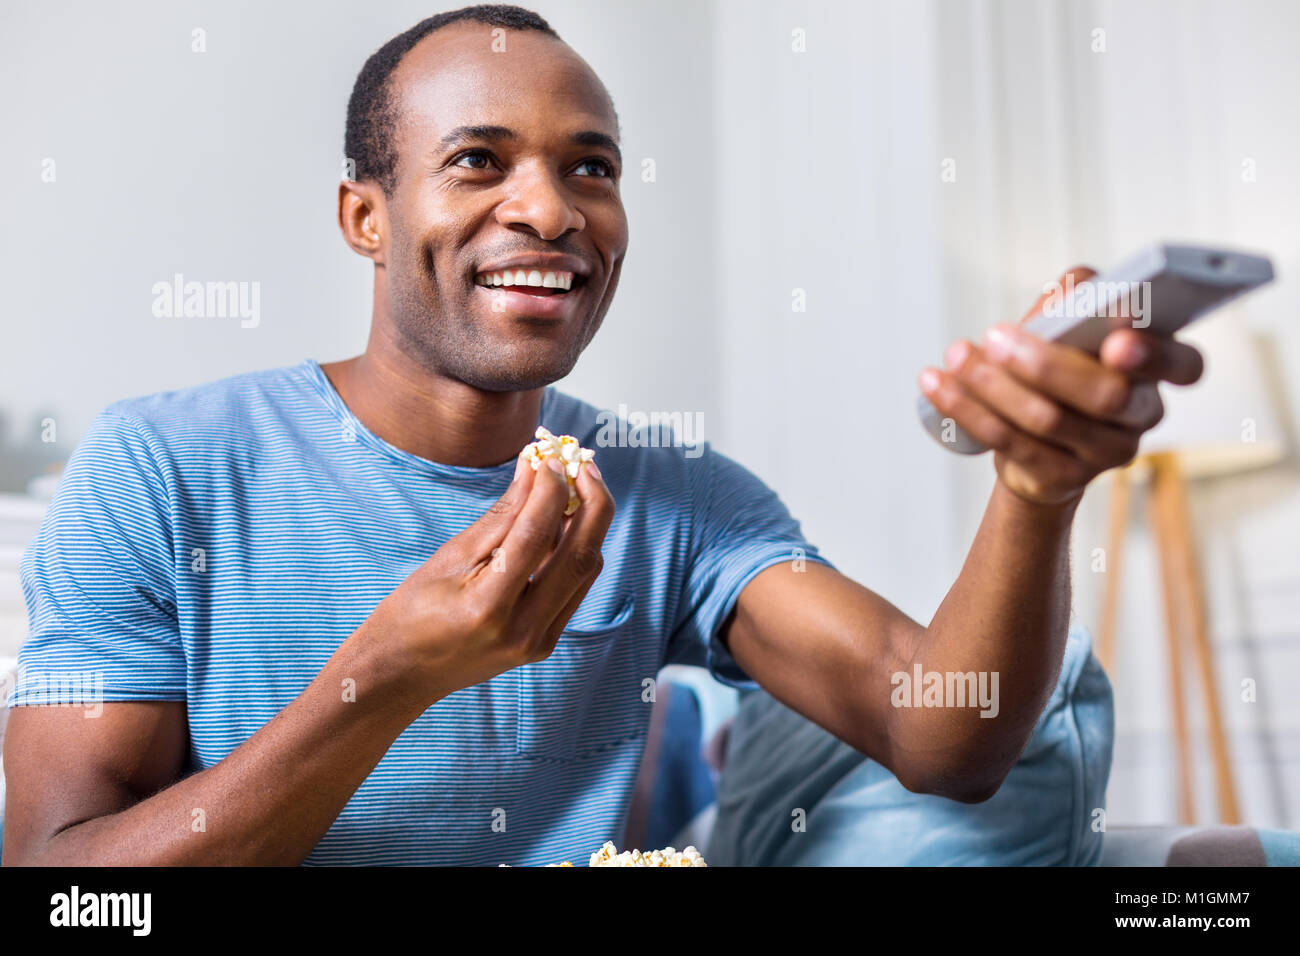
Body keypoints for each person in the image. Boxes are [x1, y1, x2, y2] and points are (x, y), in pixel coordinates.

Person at [1, 5, 1203, 866]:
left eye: (592, 167)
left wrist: (1037, 490)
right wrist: (387, 678)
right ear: (365, 216)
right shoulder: (160, 466)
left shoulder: (669, 493)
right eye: (478, 160)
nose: (549, 208)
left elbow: (941, 737)